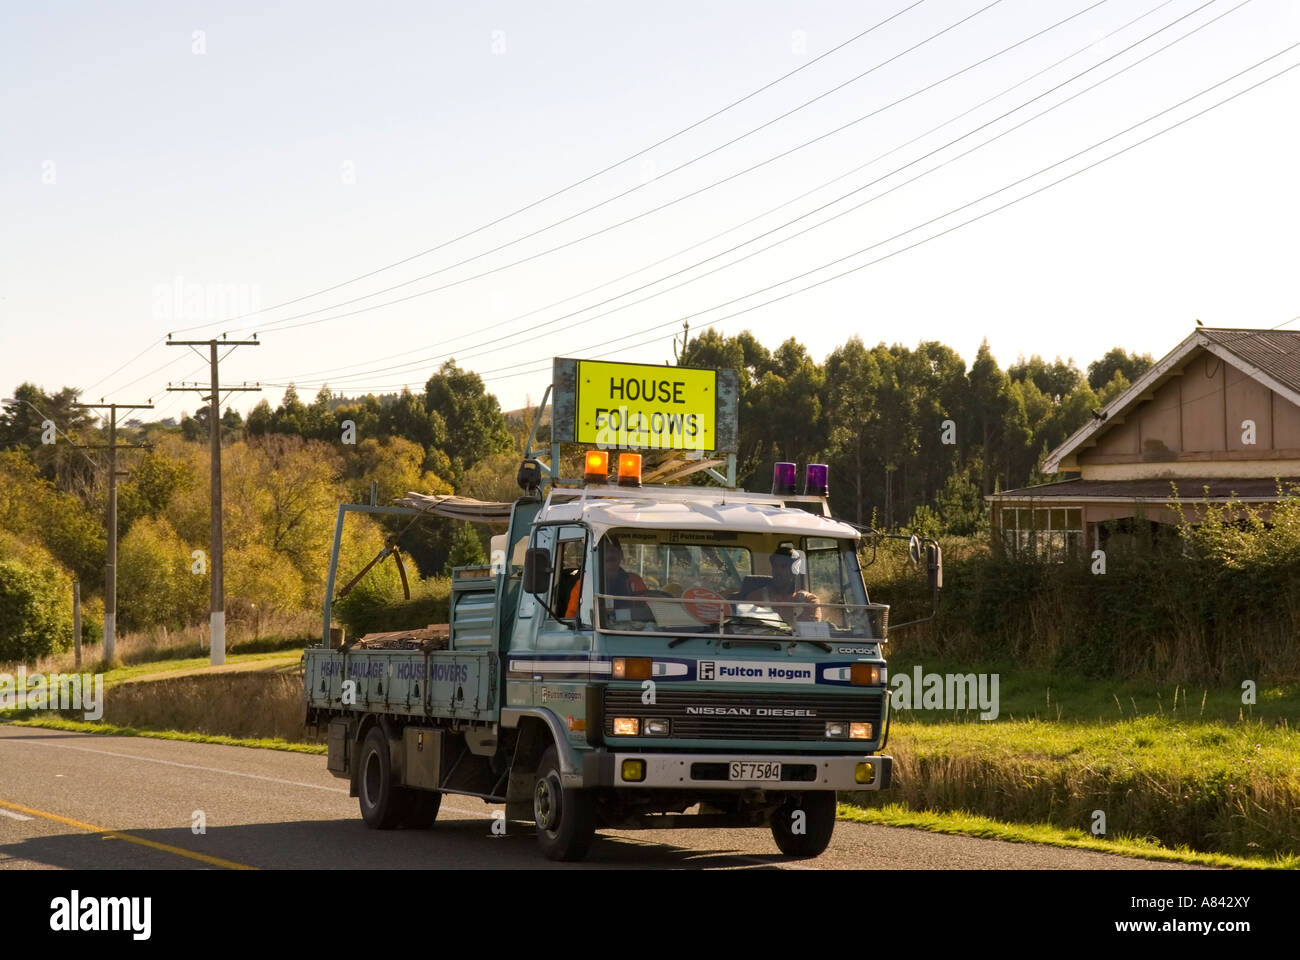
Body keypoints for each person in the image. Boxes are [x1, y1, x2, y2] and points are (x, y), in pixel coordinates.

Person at [743, 544, 820, 625]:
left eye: (784, 566)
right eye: (775, 566)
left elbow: (810, 631)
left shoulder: (808, 601)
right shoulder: (755, 598)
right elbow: (747, 628)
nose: (778, 572)